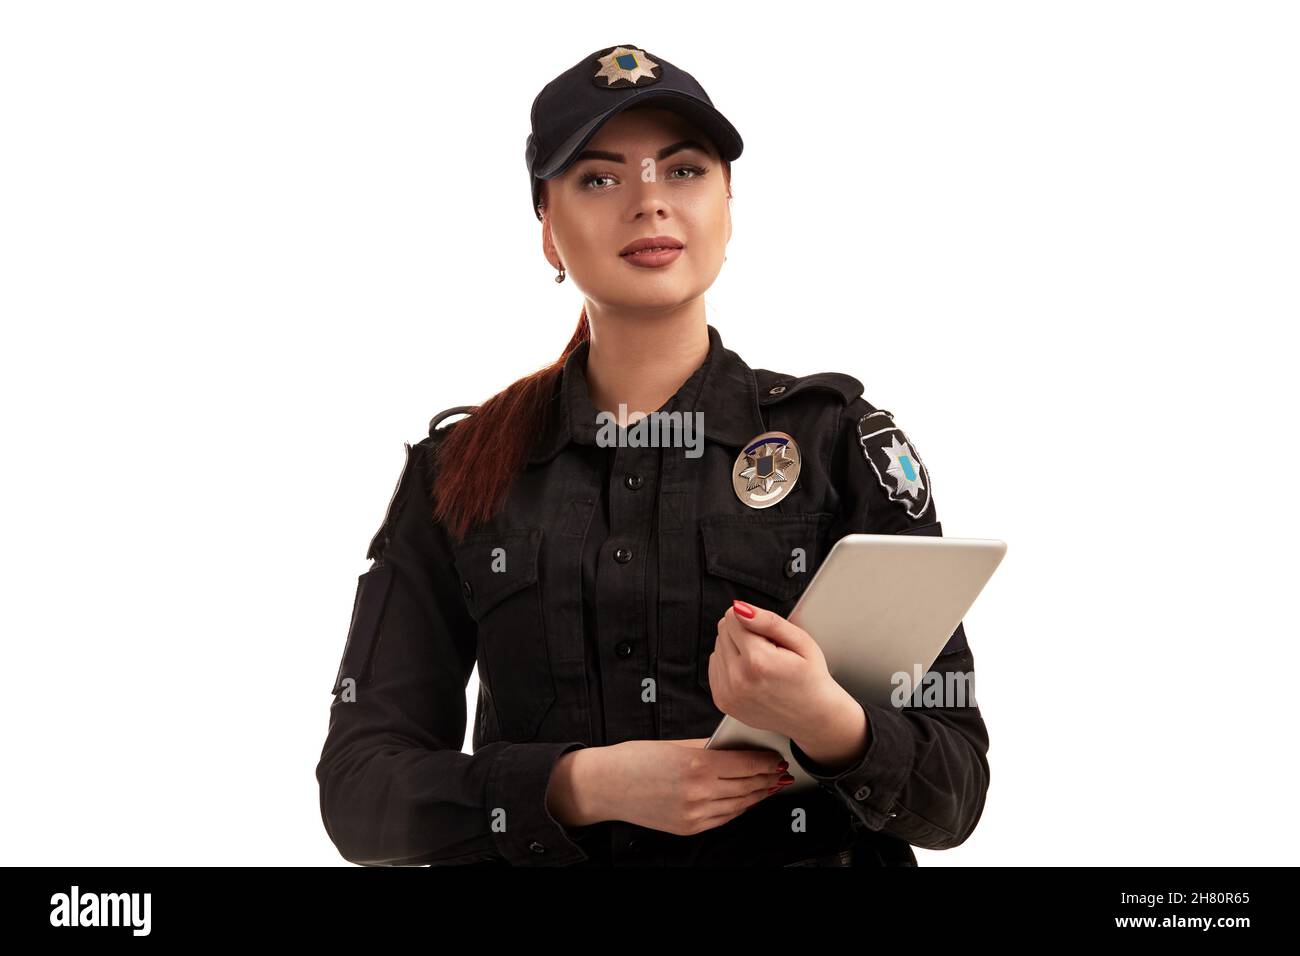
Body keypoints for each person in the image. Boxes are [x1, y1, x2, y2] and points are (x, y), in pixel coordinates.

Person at [315, 43, 989, 867]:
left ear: (728, 206)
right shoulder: (457, 473)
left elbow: (956, 795)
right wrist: (582, 785)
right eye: (600, 179)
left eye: (684, 171)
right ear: (548, 231)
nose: (649, 203)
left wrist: (827, 720)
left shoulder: (837, 442)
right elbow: (360, 794)